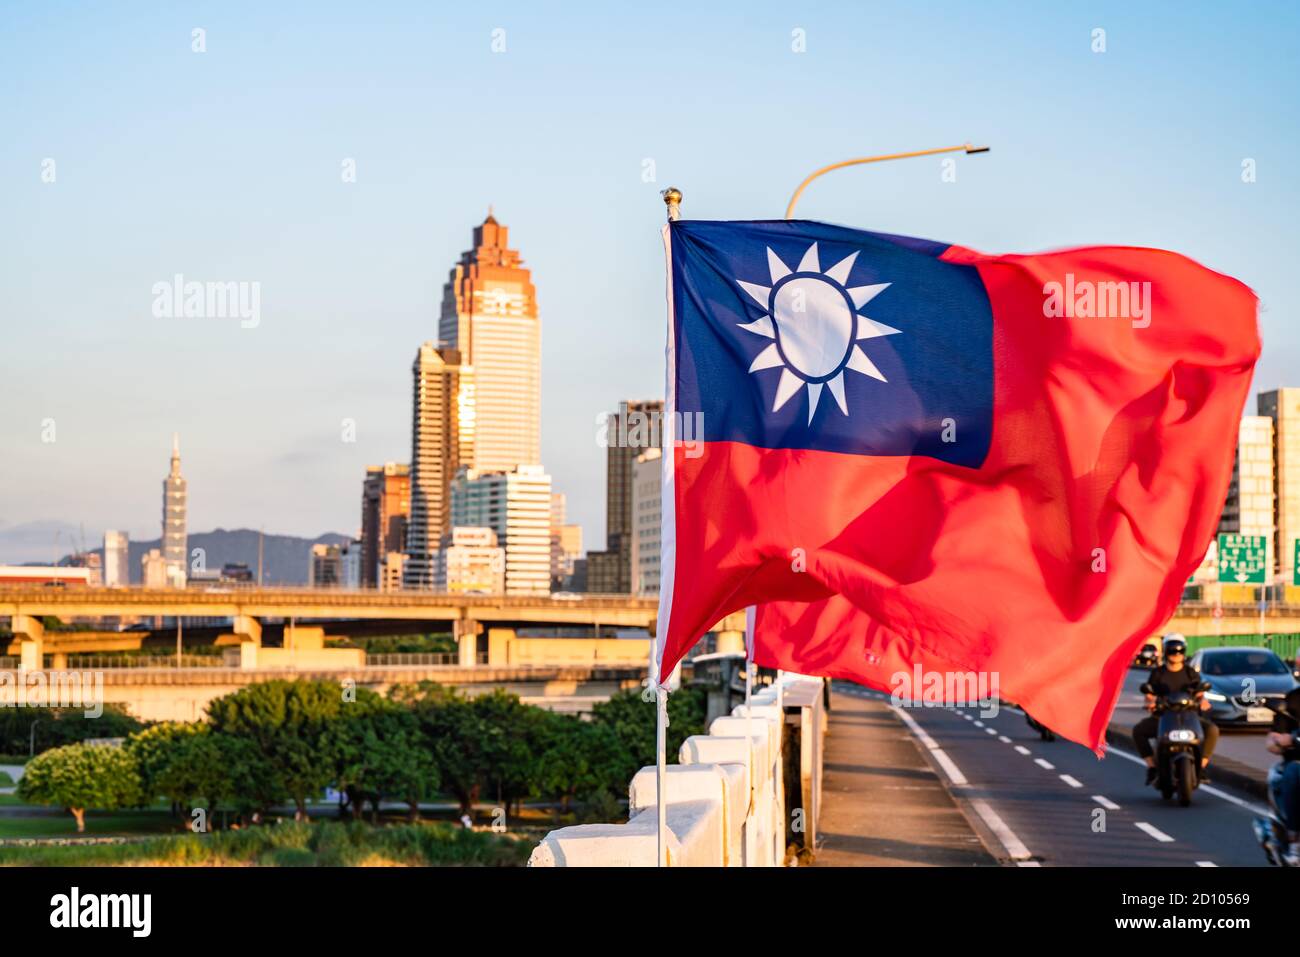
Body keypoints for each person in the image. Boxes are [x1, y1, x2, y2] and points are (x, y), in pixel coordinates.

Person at [1132, 633, 1218, 784]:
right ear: (1166, 651)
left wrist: (1203, 700)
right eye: (1172, 651)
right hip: (1163, 716)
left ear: (1184, 652)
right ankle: (1152, 767)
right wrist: (1150, 702)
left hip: (1189, 717)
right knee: (1138, 731)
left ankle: (1202, 767)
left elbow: (1199, 692)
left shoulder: (1190, 673)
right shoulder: (1158, 673)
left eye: (1179, 651)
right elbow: (1150, 693)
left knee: (1212, 730)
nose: (1176, 655)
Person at [1265, 686, 1300, 865]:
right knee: (1294, 772)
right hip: (1296, 761)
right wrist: (1276, 741)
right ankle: (1294, 840)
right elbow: (1275, 735)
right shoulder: (1294, 698)